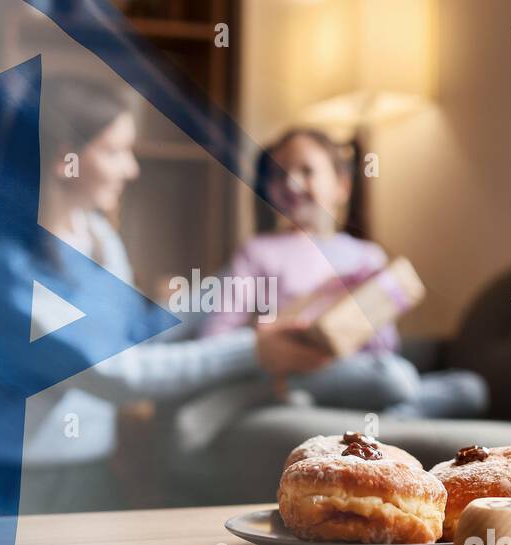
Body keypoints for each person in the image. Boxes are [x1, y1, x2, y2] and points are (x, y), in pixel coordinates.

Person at [19, 78, 331, 513]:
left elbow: (135, 336)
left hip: (91, 467)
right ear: (62, 160)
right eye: (113, 152)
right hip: (19, 483)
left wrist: (236, 281)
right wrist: (253, 349)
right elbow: (115, 373)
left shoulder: (98, 236)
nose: (132, 169)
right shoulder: (10, 264)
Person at [201, 127, 488, 418]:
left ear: (342, 186)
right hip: (300, 372)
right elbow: (215, 338)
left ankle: (370, 426)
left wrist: (364, 312)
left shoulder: (367, 256)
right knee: (392, 378)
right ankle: (372, 421)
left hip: (362, 372)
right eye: (278, 174)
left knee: (469, 388)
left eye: (307, 171)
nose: (291, 183)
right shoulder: (258, 251)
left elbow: (386, 348)